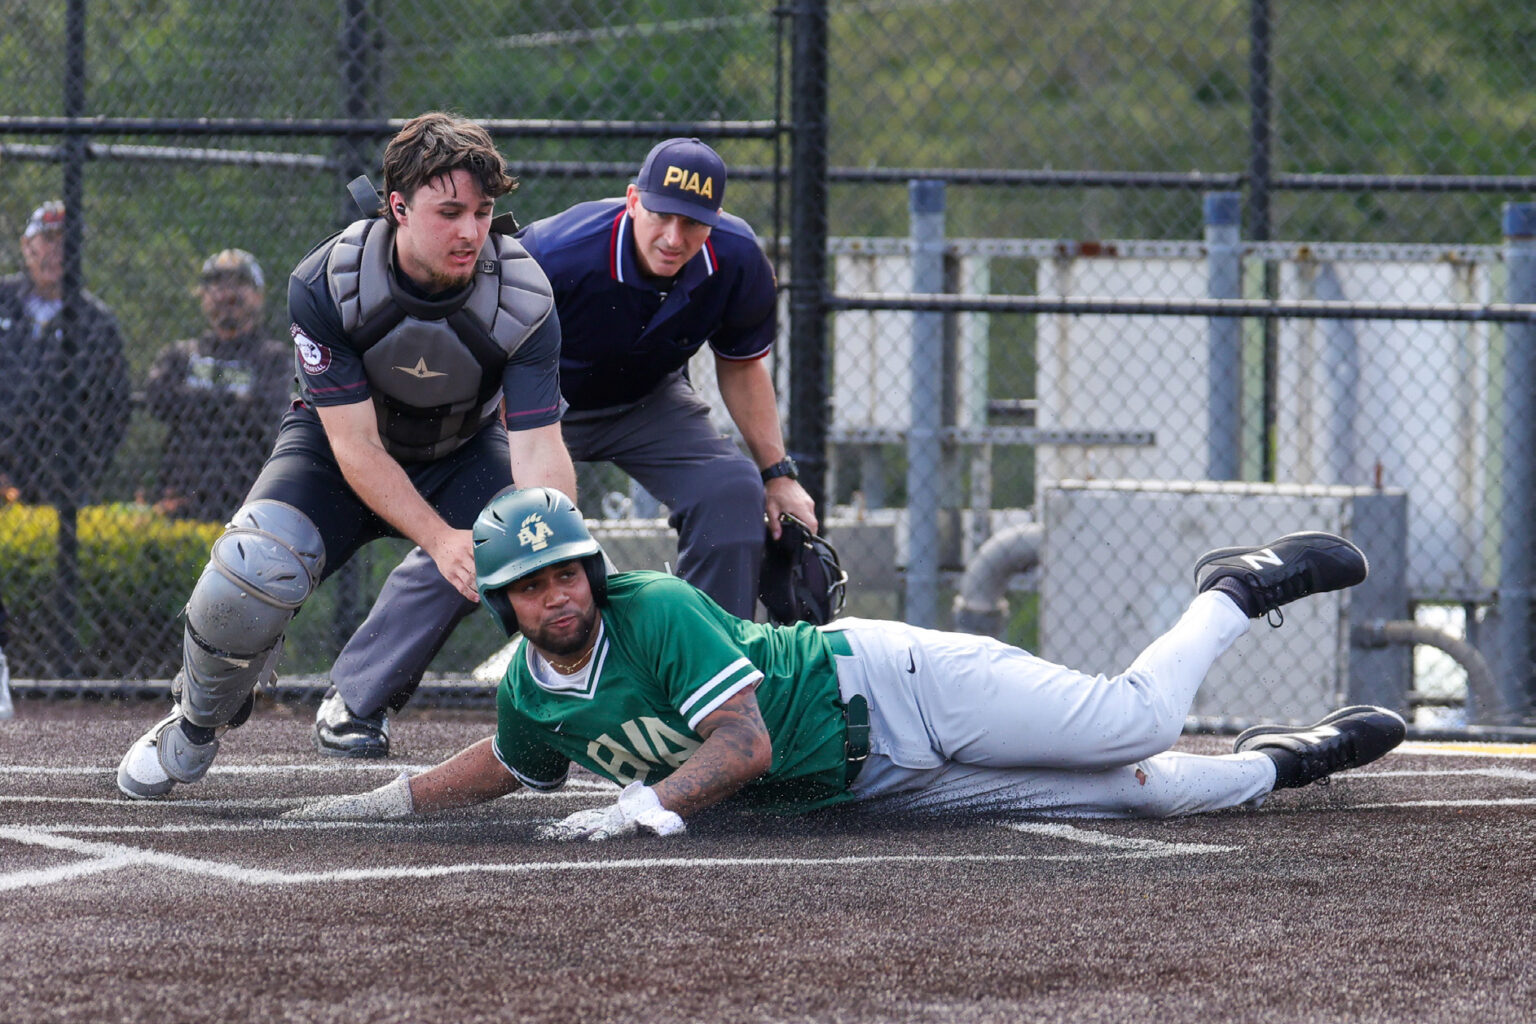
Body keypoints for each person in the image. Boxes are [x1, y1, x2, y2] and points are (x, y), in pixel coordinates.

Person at [286, 487, 1407, 836]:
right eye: (533, 585)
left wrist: (643, 807)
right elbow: (509, 757)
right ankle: (1289, 762)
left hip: (892, 681)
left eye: (569, 570)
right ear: (504, 605)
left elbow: (744, 743)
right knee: (1142, 797)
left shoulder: (657, 605)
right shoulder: (536, 685)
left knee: (1131, 724)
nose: (561, 592)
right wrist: (384, 801)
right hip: (871, 780)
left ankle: (1234, 589)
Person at [116, 112, 577, 797]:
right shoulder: (329, 281)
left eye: (482, 213)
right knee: (249, 573)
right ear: (397, 207)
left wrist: (548, 541)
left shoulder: (525, 295)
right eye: (448, 211)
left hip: (463, 452)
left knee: (551, 552)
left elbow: (539, 449)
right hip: (338, 451)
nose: (470, 232)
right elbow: (354, 446)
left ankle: (574, 721)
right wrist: (441, 541)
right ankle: (195, 721)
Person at [515, 137, 817, 618]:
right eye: (662, 215)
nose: (675, 237)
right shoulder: (554, 251)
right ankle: (365, 691)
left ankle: (712, 672)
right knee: (481, 526)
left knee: (731, 489)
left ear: (714, 220)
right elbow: (483, 342)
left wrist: (777, 475)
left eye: (693, 221)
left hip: (646, 403)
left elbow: (740, 365)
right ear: (633, 201)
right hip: (537, 409)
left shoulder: (736, 259)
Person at [142, 248, 294, 520]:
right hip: (181, 497)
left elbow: (269, 411)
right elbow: (157, 399)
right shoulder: (180, 354)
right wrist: (237, 402)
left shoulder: (274, 357)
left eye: (239, 284)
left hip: (250, 499)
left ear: (259, 296)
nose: (227, 294)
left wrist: (194, 401)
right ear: (202, 297)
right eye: (217, 285)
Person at [0, 200, 131, 505]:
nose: (57, 250)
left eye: (68, 241)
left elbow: (114, 410)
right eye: (48, 239)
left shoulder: (97, 321)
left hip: (60, 484)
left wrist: (75, 477)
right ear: (26, 245)